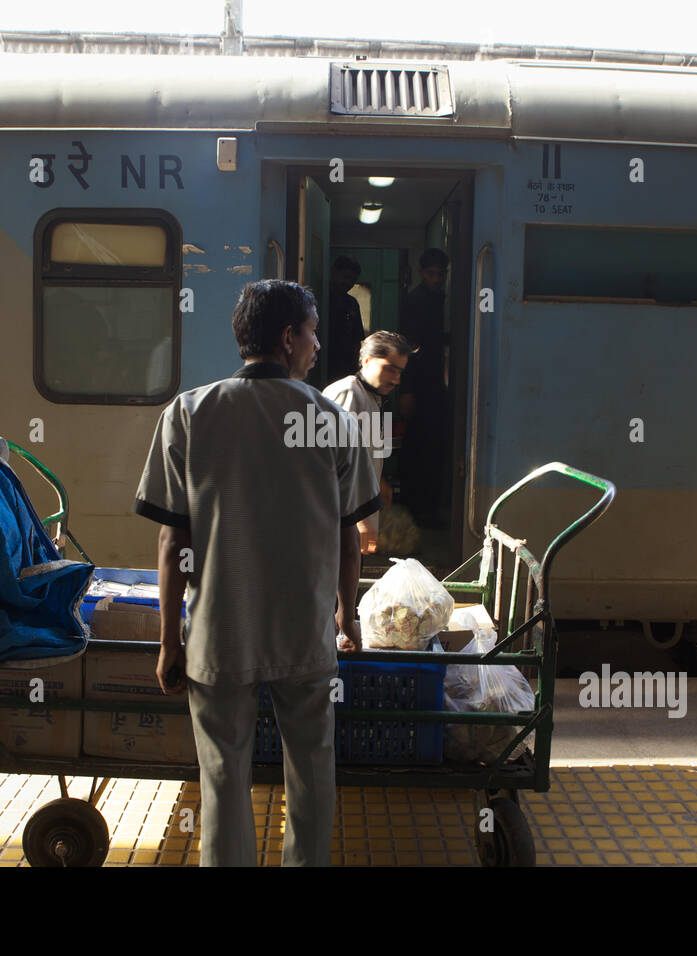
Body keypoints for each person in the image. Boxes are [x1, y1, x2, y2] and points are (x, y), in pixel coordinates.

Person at [133, 279, 381, 867]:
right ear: (289, 337)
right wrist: (347, 617)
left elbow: (173, 541)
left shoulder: (189, 413)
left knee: (220, 777)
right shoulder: (329, 419)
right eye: (314, 332)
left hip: (221, 632)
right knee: (313, 771)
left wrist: (170, 641)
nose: (318, 346)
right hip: (303, 631)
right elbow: (350, 540)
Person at [321, 331, 415, 554]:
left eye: (400, 371)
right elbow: (335, 462)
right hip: (343, 520)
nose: (396, 379)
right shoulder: (348, 393)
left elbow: (362, 453)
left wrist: (379, 481)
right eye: (390, 368)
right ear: (367, 361)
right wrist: (359, 518)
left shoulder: (372, 399)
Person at [399, 248, 450, 527]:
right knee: (419, 446)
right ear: (422, 273)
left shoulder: (438, 299)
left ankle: (423, 507)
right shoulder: (416, 302)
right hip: (419, 383)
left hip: (433, 382)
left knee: (429, 445)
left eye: (441, 275)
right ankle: (415, 508)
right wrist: (406, 390)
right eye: (432, 274)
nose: (436, 279)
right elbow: (409, 347)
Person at [326, 255, 366, 383]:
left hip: (344, 366)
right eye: (345, 277)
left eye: (353, 280)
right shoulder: (321, 298)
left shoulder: (351, 304)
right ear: (334, 273)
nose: (348, 283)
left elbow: (357, 339)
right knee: (312, 402)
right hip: (321, 361)